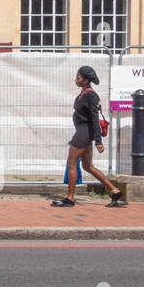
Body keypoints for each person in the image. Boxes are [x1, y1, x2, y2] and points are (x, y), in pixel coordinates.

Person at [51, 65, 125, 207]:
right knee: (87, 166)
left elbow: (95, 118)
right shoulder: (83, 94)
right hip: (82, 133)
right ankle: (114, 190)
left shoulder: (91, 96)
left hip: (84, 133)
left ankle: (70, 198)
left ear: (85, 81)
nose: (75, 79)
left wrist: (98, 141)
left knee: (71, 164)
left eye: (78, 78)